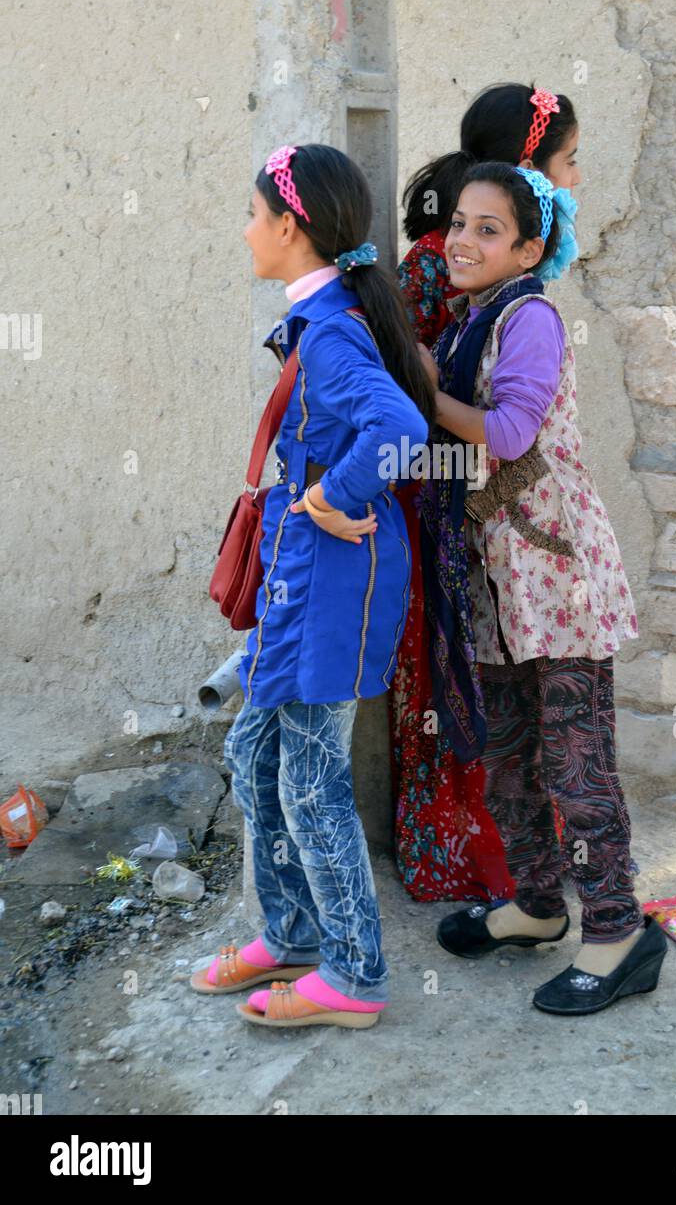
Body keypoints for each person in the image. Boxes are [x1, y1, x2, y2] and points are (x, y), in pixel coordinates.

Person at [190, 143, 433, 1029]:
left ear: (290, 228)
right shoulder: (323, 312)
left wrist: (333, 492)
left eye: (255, 215)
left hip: (331, 584)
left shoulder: (330, 330)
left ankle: (356, 976)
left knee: (310, 778)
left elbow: (400, 428)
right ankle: (292, 932)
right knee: (252, 755)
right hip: (304, 579)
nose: (246, 230)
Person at [419, 159, 667, 1015]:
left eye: (488, 230)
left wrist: (420, 383)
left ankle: (616, 931)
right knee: (507, 756)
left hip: (554, 573)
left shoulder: (527, 318)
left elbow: (512, 431)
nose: (462, 241)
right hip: (498, 583)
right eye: (458, 223)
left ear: (528, 249)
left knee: (575, 761)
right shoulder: (469, 320)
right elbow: (460, 456)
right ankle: (534, 904)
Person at [390, 84, 581, 903]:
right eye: (568, 162)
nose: (575, 177)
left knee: (477, 677)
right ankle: (481, 861)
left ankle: (505, 862)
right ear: (529, 168)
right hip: (452, 502)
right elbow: (477, 415)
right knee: (467, 677)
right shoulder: (454, 257)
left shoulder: (472, 255)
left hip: (468, 500)